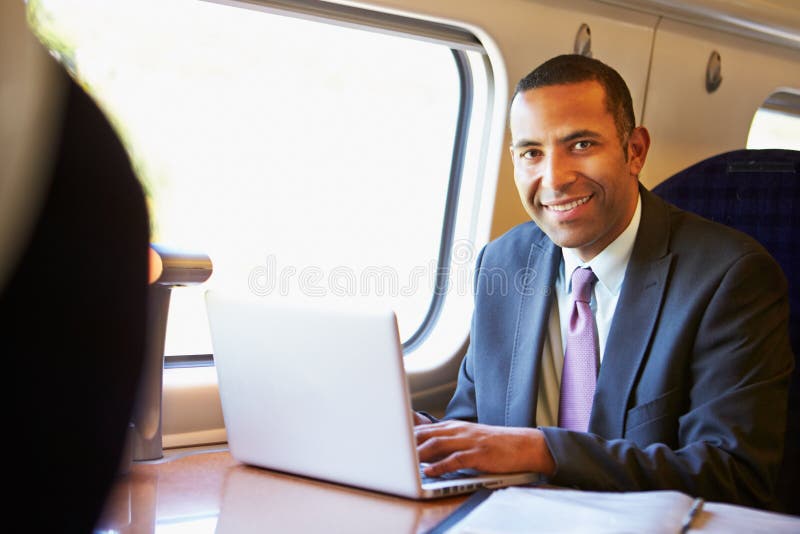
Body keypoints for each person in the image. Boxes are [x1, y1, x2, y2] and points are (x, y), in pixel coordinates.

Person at [414, 54, 793, 510]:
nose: (553, 178)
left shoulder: (729, 277)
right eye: (532, 152)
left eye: (580, 145)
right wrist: (420, 440)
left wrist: (545, 451)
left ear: (635, 151)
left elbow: (732, 474)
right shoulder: (502, 263)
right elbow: (471, 429)